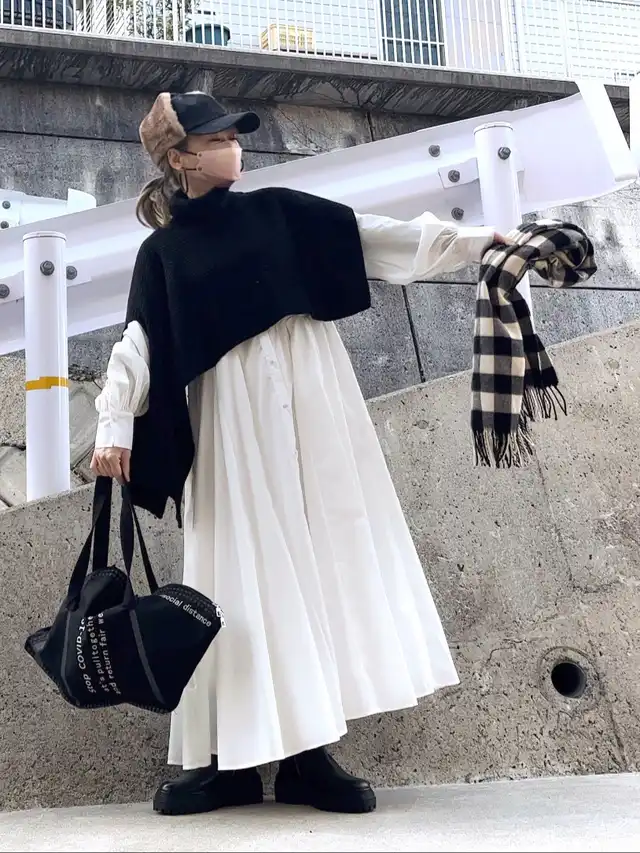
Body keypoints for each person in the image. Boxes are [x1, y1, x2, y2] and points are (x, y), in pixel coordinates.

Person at [91, 91, 502, 817]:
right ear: (180, 158)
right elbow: (140, 341)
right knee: (238, 574)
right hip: (232, 420)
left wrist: (484, 244)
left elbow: (374, 239)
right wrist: (114, 421)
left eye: (233, 134)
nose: (234, 145)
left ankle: (309, 758)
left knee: (319, 559)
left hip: (315, 405)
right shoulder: (166, 252)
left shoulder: (280, 211)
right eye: (217, 138)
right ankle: (227, 760)